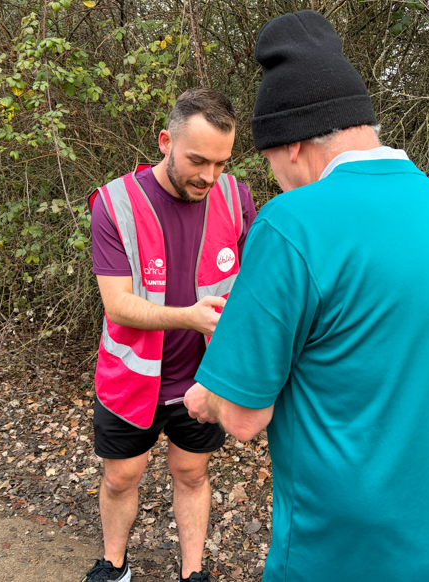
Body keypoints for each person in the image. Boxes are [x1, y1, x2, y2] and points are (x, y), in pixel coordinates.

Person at [185, 10, 429, 582]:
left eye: (270, 161)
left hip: (338, 558)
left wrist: (207, 397)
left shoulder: (291, 223)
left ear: (293, 144)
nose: (274, 178)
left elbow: (246, 416)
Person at [82, 87, 257, 582]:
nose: (210, 176)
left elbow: (253, 281)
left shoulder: (235, 197)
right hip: (130, 380)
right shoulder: (115, 204)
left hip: (203, 379)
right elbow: (117, 305)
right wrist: (190, 317)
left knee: (192, 473)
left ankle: (192, 573)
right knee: (121, 478)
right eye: (199, 160)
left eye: (222, 163)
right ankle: (113, 566)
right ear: (165, 142)